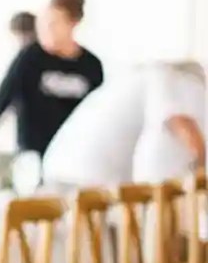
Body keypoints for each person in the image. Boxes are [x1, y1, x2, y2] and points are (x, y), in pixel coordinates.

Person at [0, 0, 104, 156]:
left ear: (72, 23)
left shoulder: (91, 65)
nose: (46, 30)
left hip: (73, 151)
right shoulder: (30, 57)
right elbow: (5, 94)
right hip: (33, 152)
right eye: (43, 23)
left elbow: (98, 111)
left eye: (54, 24)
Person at [43, 61, 205, 186]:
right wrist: (201, 167)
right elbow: (181, 124)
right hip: (84, 177)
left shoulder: (136, 79)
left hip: (61, 168)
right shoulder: (167, 77)